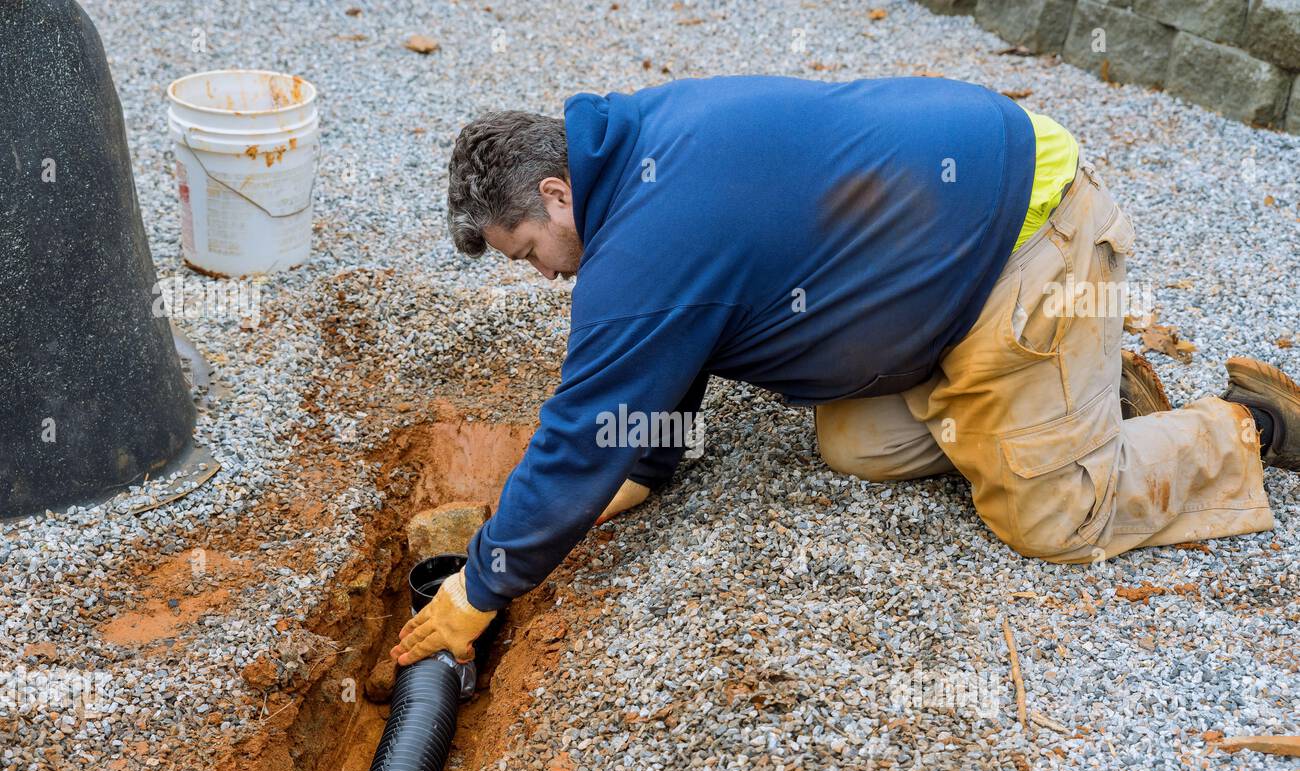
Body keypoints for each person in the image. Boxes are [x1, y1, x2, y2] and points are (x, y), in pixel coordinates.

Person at [393, 75, 1298, 667]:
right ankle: (1077, 402)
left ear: (556, 195)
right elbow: (679, 336)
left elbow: (581, 421)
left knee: (1053, 516)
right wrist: (643, 467)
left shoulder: (637, 250)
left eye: (527, 251)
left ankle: (1248, 424)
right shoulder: (638, 149)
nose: (544, 273)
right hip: (952, 264)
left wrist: (481, 587)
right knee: (856, 442)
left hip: (1026, 240)